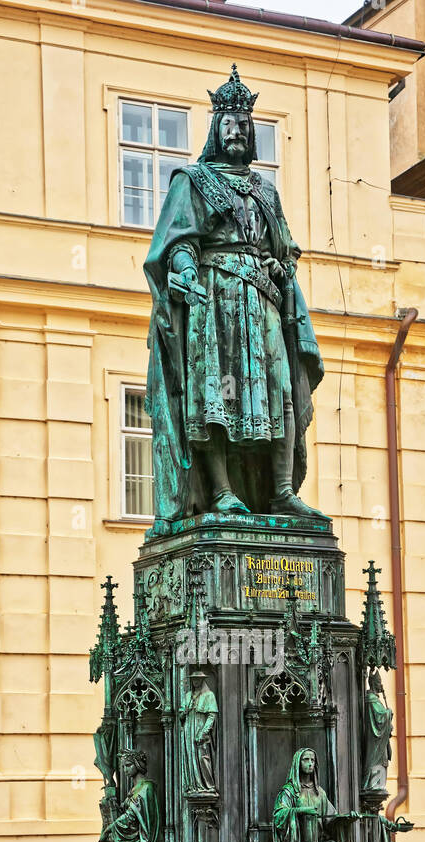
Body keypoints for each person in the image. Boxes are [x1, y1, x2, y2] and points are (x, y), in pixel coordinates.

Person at [144, 65, 325, 528]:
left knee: (279, 388)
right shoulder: (193, 179)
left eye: (245, 125)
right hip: (215, 298)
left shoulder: (266, 190)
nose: (238, 132)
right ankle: (221, 491)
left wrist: (281, 266)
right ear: (216, 128)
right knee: (216, 395)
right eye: (229, 124)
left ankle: (281, 491)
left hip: (262, 302)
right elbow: (177, 241)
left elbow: (285, 248)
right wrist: (184, 269)